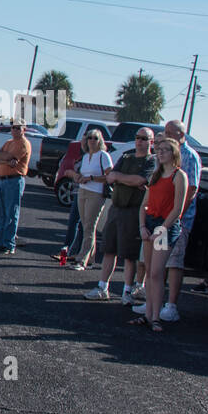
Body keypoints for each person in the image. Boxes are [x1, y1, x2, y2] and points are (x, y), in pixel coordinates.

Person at [86, 128, 157, 302]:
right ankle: (103, 287)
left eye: (144, 138)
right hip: (116, 207)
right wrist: (125, 178)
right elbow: (110, 177)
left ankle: (127, 291)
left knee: (129, 254)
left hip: (134, 210)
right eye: (137, 137)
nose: (139, 141)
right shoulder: (126, 157)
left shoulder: (151, 161)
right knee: (109, 249)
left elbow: (141, 180)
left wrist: (121, 178)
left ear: (151, 142)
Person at [129, 138, 188, 332]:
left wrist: (162, 229)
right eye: (159, 150)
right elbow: (144, 203)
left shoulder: (179, 176)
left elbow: (178, 208)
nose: (160, 153)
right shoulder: (156, 174)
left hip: (164, 227)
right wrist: (142, 226)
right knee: (149, 272)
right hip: (149, 224)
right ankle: (148, 315)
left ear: (174, 154)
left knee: (156, 272)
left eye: (165, 150)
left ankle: (155, 317)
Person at [157, 120, 202, 324]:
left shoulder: (189, 156)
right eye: (165, 132)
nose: (165, 135)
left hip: (179, 220)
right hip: (161, 217)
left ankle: (171, 306)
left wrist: (176, 215)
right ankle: (154, 302)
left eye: (169, 132)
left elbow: (191, 190)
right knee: (158, 262)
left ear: (181, 134)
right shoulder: (166, 153)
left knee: (174, 262)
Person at [0, 120, 31, 254]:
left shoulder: (23, 144)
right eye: (13, 127)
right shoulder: (9, 143)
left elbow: (13, 161)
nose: (14, 130)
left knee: (11, 213)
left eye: (18, 128)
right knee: (0, 214)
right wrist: (6, 159)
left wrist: (5, 159)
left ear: (23, 129)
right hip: (3, 180)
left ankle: (8, 244)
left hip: (14, 181)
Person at [72, 130, 113, 271]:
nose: (92, 140)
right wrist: (78, 177)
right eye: (89, 138)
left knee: (89, 226)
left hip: (96, 193)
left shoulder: (103, 155)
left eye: (95, 138)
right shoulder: (85, 157)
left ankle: (82, 259)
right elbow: (82, 172)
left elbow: (110, 176)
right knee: (85, 225)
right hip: (82, 190)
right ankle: (91, 259)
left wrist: (92, 178)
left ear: (100, 140)